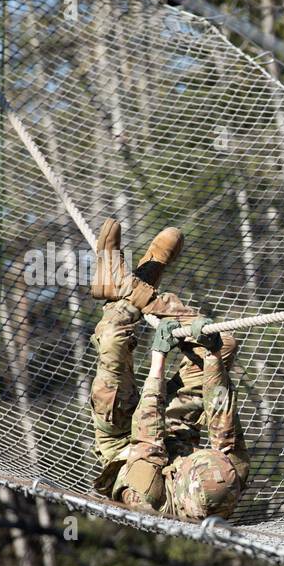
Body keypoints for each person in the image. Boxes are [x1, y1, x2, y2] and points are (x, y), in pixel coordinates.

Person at [87, 218, 249, 522]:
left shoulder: (147, 495)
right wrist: (211, 353)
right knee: (225, 343)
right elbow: (220, 412)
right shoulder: (230, 475)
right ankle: (136, 287)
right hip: (175, 431)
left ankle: (133, 286)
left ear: (183, 481)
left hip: (126, 439)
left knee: (113, 336)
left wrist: (159, 358)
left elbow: (148, 438)